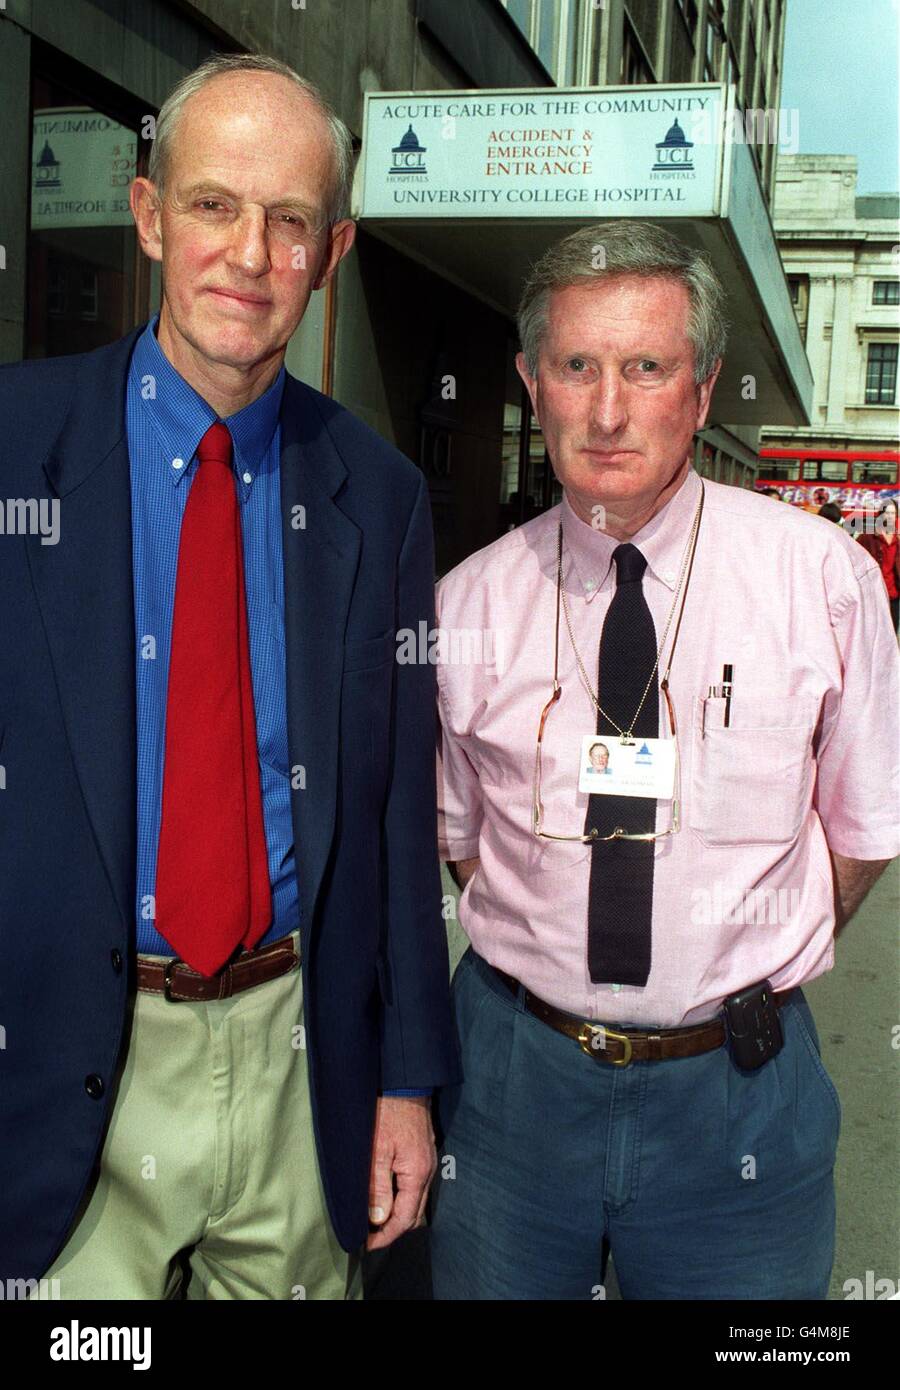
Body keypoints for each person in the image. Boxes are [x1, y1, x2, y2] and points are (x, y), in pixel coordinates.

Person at [0, 52, 459, 1299]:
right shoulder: (12, 447)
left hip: (295, 1058)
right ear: (150, 217)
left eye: (290, 221)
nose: (248, 255)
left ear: (333, 252)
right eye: (213, 205)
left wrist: (408, 1080)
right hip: (62, 1072)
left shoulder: (382, 496)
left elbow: (396, 822)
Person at [430, 220, 899, 1300]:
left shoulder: (820, 579)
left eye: (646, 367)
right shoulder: (465, 607)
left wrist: (730, 957)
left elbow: (864, 830)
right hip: (512, 1090)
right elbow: (464, 844)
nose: (607, 408)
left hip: (740, 1090)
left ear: (702, 389)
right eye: (577, 366)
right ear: (531, 383)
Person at [856, 499, 899, 632]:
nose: (890, 516)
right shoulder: (868, 536)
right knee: (873, 631)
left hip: (894, 593)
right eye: (887, 513)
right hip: (874, 591)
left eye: (893, 513)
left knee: (891, 630)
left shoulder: (897, 538)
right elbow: (854, 556)